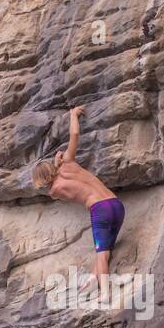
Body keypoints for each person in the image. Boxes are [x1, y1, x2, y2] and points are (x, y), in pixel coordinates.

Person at [32, 106, 125, 286]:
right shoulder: (68, 163)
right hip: (116, 204)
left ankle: (105, 293)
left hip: (100, 211)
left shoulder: (53, 192)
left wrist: (54, 164)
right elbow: (74, 135)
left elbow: (54, 184)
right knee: (106, 249)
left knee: (100, 253)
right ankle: (91, 279)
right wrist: (73, 114)